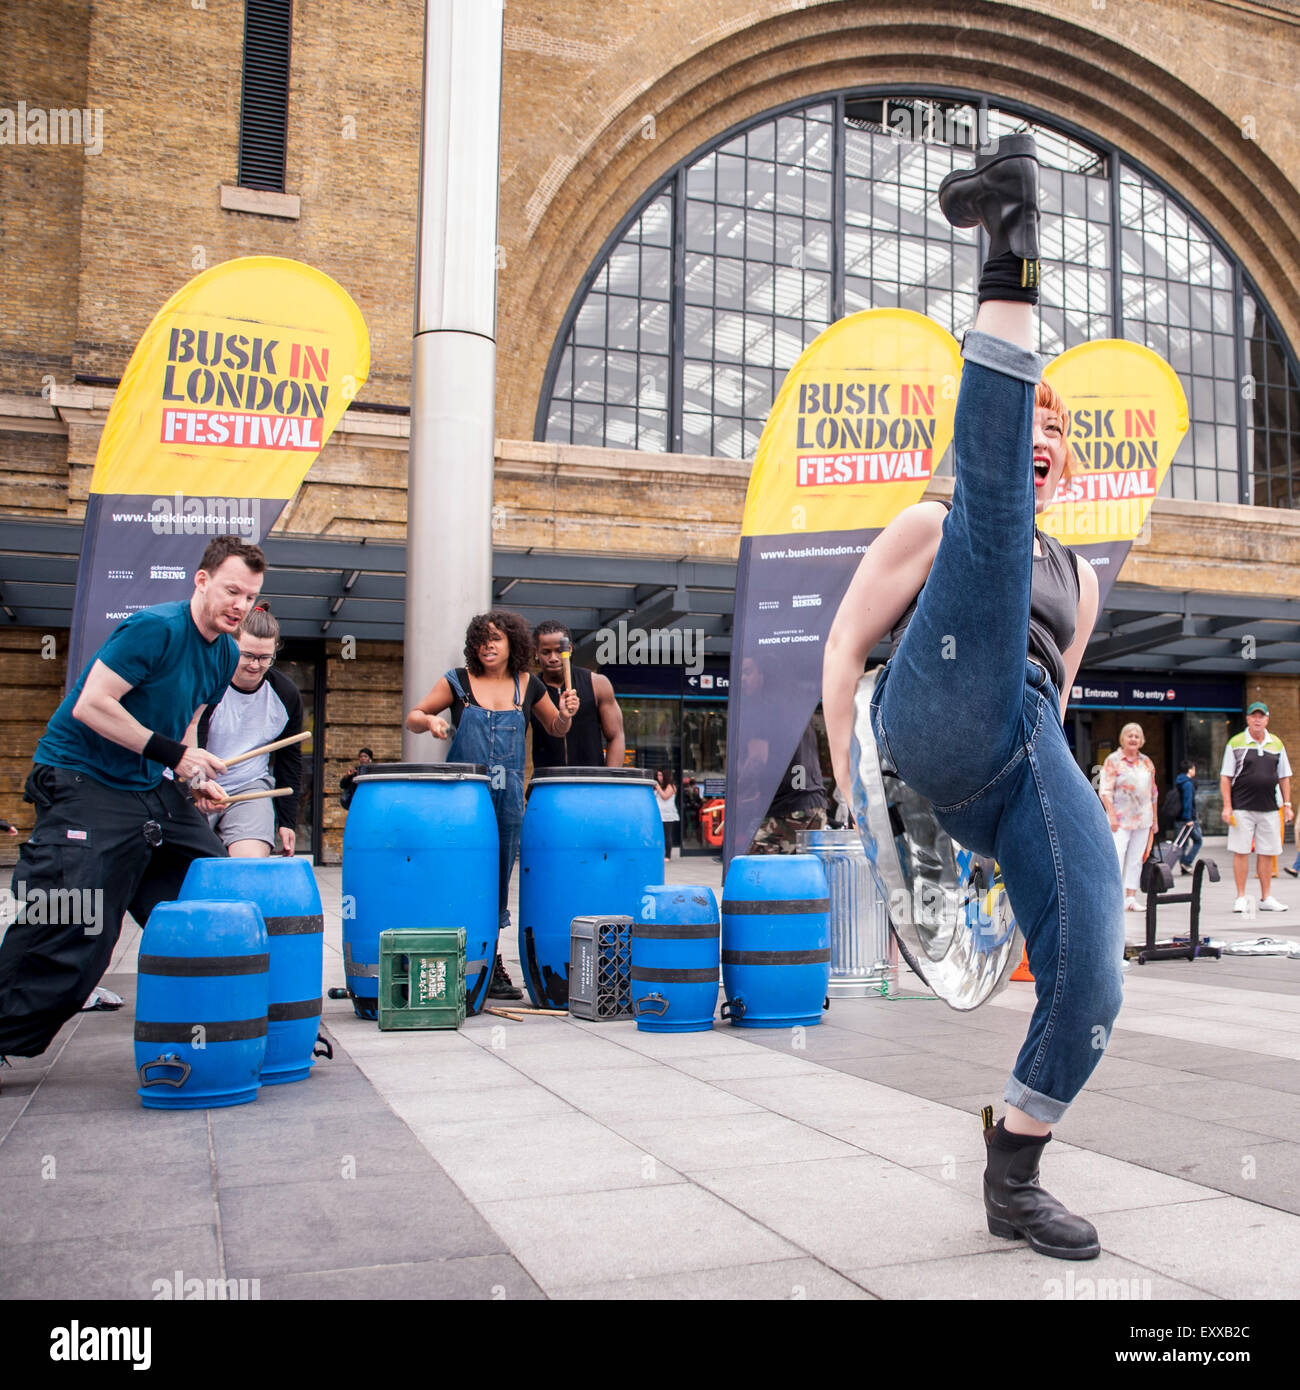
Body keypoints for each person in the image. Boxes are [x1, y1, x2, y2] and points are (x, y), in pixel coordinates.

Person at [823, 134, 1120, 1260]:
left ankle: (1015, 1161)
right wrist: (855, 793)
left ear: (1070, 462)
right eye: (1031, 420)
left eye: (1058, 431)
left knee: (1093, 971)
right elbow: (846, 645)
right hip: (930, 710)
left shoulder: (1082, 579)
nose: (1044, 439)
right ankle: (1010, 240)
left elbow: (1055, 703)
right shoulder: (933, 520)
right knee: (987, 525)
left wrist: (1036, 843)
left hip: (1019, 741)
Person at [0, 535, 263, 1074]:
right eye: (232, 590)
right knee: (77, 921)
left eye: (251, 597)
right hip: (81, 775)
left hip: (146, 784)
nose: (240, 605)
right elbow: (92, 705)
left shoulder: (225, 654)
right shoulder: (155, 628)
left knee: (214, 883)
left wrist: (191, 776)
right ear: (202, 581)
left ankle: (234, 1022)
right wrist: (175, 755)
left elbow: (187, 724)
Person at [405, 611, 579, 1003]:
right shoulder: (458, 680)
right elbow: (414, 716)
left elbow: (556, 728)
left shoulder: (528, 684)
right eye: (481, 639)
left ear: (512, 643)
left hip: (507, 799)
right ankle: (453, 955)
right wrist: (430, 723)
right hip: (462, 799)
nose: (488, 645)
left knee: (498, 881)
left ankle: (491, 962)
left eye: (496, 638)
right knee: (457, 874)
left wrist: (566, 713)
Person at [198, 604, 303, 857]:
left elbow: (289, 760)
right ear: (231, 645)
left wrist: (287, 821)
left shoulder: (286, 694)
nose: (256, 665)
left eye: (265, 658)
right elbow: (189, 744)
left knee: (248, 863)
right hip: (200, 781)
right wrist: (195, 786)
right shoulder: (208, 682)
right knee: (189, 861)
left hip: (249, 785)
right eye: (247, 655)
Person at [1221, 701, 1292, 912]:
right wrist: (1227, 806)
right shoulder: (1235, 743)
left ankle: (1266, 897)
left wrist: (1287, 804)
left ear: (1267, 719)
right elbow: (1226, 777)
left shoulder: (1276, 744)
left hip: (1270, 807)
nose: (1257, 720)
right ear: (1248, 719)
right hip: (1241, 807)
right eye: (1254, 716)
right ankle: (1241, 897)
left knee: (1267, 852)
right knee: (1240, 850)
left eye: (1261, 716)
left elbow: (1284, 777)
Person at [530, 621, 626, 769]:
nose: (553, 658)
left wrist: (609, 777)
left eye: (558, 651)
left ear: (568, 649)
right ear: (536, 652)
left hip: (590, 777)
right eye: (546, 652)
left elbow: (616, 736)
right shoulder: (530, 688)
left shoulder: (597, 683)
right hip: (548, 779)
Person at [1099, 723, 1157, 912]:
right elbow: (1105, 791)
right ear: (1122, 739)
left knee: (1136, 859)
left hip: (1143, 819)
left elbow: (1153, 792)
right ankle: (1114, 899)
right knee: (1117, 857)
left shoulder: (1147, 762)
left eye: (1137, 736)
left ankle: (1131, 897)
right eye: (1130, 735)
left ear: (1142, 740)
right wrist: (1111, 816)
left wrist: (1155, 820)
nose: (1133, 739)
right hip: (1120, 820)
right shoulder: (1113, 760)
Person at [750, 720, 829, 853]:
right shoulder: (802, 719)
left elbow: (757, 758)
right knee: (806, 863)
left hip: (786, 806)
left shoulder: (768, 717)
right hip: (815, 802)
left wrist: (744, 787)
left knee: (755, 861)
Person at [1172, 759, 1202, 876]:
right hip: (1187, 818)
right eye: (1194, 769)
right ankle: (1186, 862)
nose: (1195, 771)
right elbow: (1187, 802)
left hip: (1179, 817)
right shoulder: (1188, 784)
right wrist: (1188, 818)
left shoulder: (1179, 782)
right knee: (1198, 841)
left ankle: (1184, 867)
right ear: (1190, 770)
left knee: (1183, 844)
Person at [654, 768, 679, 858]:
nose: (659, 777)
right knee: (658, 835)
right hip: (658, 813)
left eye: (661, 775)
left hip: (667, 814)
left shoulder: (670, 786)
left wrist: (658, 788)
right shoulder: (658, 786)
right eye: (658, 775)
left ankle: (668, 855)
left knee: (667, 835)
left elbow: (665, 796)